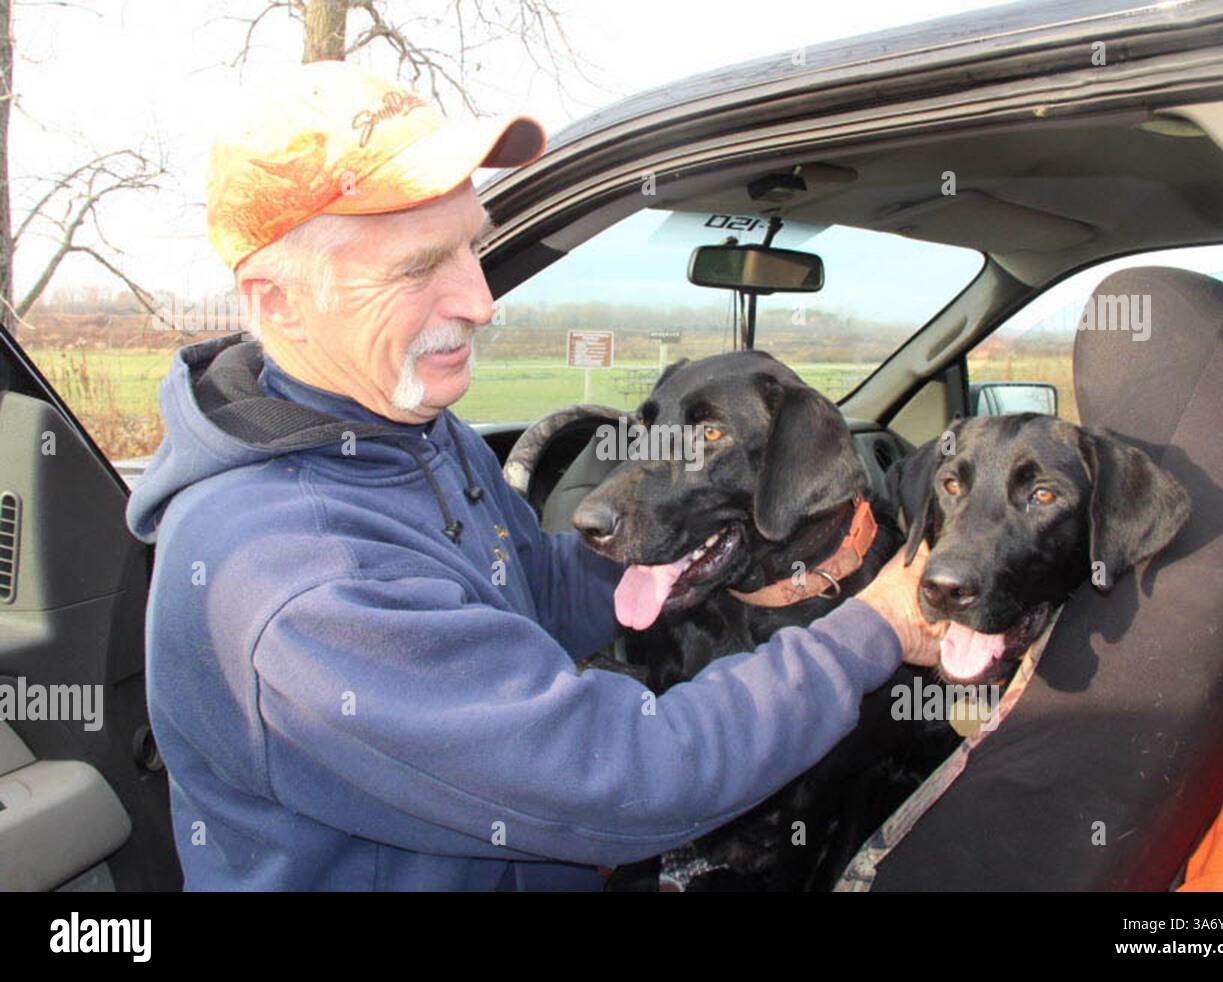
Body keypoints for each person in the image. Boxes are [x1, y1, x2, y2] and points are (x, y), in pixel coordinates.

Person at [125, 61, 946, 891]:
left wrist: (691, 557)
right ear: (280, 303)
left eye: (472, 249)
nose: (481, 301)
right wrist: (869, 631)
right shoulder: (296, 580)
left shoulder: (410, 433)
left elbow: (528, 585)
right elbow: (629, 777)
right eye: (417, 268)